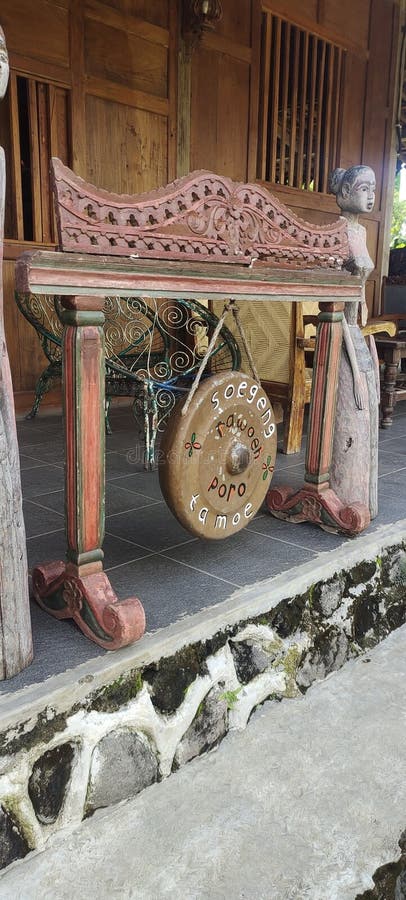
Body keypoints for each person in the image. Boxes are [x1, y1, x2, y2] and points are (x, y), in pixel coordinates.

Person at [328, 165, 379, 519]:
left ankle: (365, 497)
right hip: (341, 332)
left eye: (373, 188)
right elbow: (337, 299)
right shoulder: (339, 233)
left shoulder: (360, 231)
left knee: (369, 412)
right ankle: (345, 495)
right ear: (344, 194)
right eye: (363, 188)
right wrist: (351, 346)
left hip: (357, 331)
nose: (371, 194)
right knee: (353, 410)